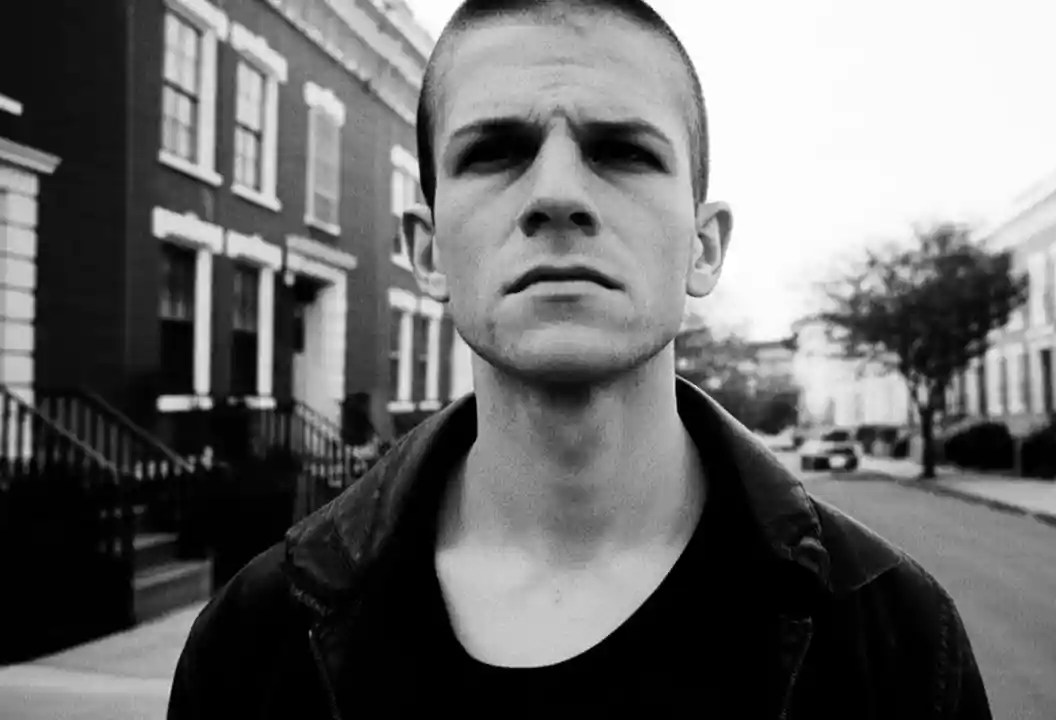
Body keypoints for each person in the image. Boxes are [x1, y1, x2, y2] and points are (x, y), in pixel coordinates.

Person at [167, 0, 992, 717]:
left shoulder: (895, 637)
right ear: (426, 252)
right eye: (494, 151)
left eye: (623, 151)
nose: (556, 193)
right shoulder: (256, 642)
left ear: (704, 248)